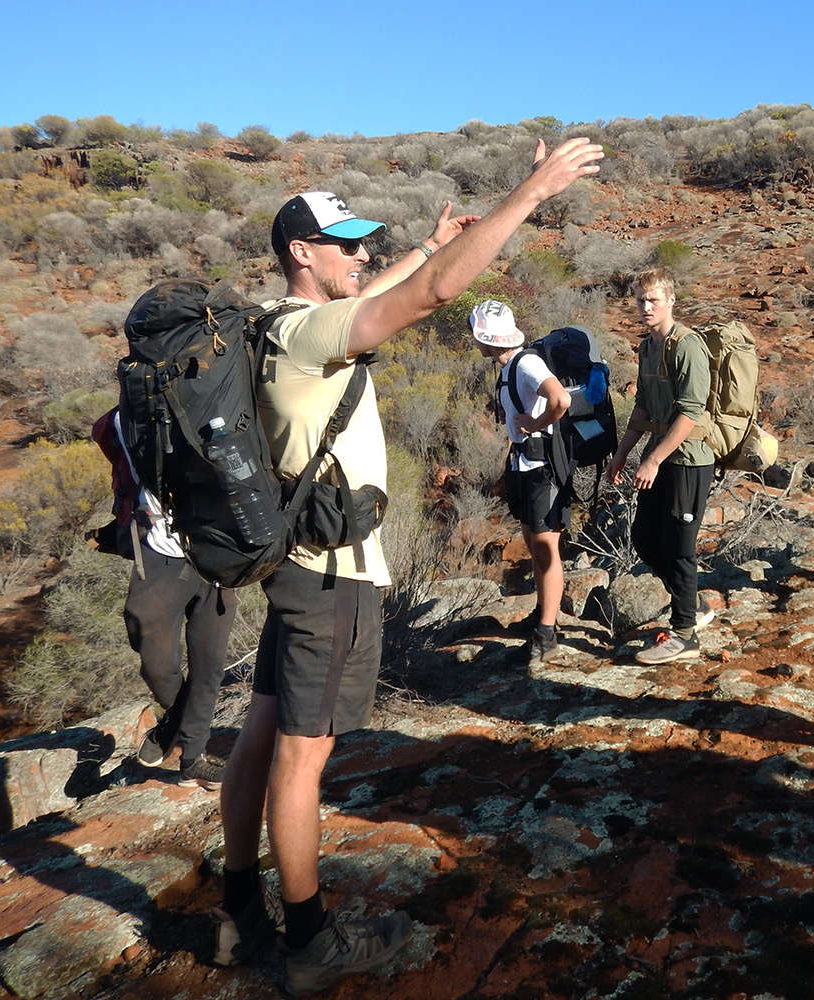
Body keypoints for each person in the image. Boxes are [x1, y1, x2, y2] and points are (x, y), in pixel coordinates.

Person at [212, 138, 602, 995]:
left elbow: (402, 282)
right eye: (344, 244)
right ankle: (311, 943)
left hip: (293, 566)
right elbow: (434, 295)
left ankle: (238, 909)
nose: (362, 255)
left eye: (364, 242)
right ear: (299, 254)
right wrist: (530, 193)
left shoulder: (270, 326)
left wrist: (426, 244)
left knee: (261, 727)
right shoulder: (315, 333)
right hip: (333, 574)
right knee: (302, 756)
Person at [108, 410, 240, 791]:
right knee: (153, 652)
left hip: (218, 550)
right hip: (160, 553)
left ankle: (193, 758)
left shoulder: (224, 404)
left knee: (209, 661)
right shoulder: (125, 416)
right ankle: (176, 718)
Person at [605, 268, 715, 664]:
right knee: (646, 538)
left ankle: (685, 635)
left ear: (671, 300)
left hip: (689, 461)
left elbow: (690, 412)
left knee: (680, 547)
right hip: (659, 455)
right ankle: (694, 606)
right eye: (640, 300)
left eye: (653, 300)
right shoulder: (648, 347)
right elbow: (643, 406)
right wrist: (622, 453)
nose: (646, 307)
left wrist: (651, 459)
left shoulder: (687, 346)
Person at [471, 299, 573, 666]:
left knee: (546, 548)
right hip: (525, 464)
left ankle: (546, 634)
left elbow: (559, 398)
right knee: (533, 541)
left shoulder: (526, 363)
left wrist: (537, 423)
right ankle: (543, 616)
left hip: (542, 467)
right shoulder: (509, 367)